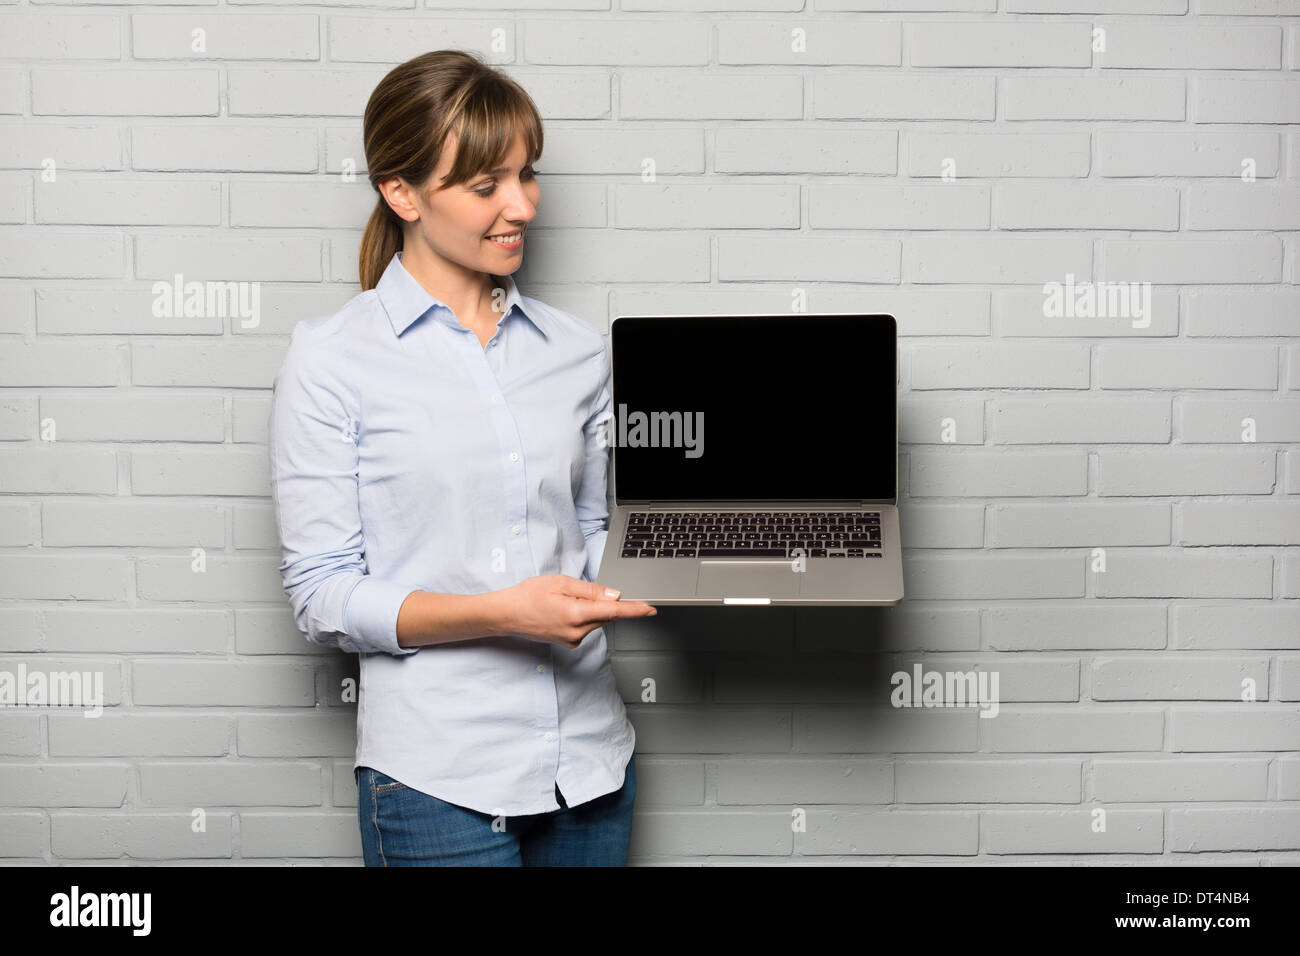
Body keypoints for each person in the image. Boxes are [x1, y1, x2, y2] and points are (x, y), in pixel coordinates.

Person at [267, 49, 658, 866]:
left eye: (527, 174)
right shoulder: (332, 358)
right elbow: (323, 593)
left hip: (591, 766)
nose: (521, 205)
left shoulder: (578, 352)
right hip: (437, 780)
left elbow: (587, 537)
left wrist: (708, 564)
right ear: (401, 192)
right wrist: (503, 612)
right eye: (485, 186)